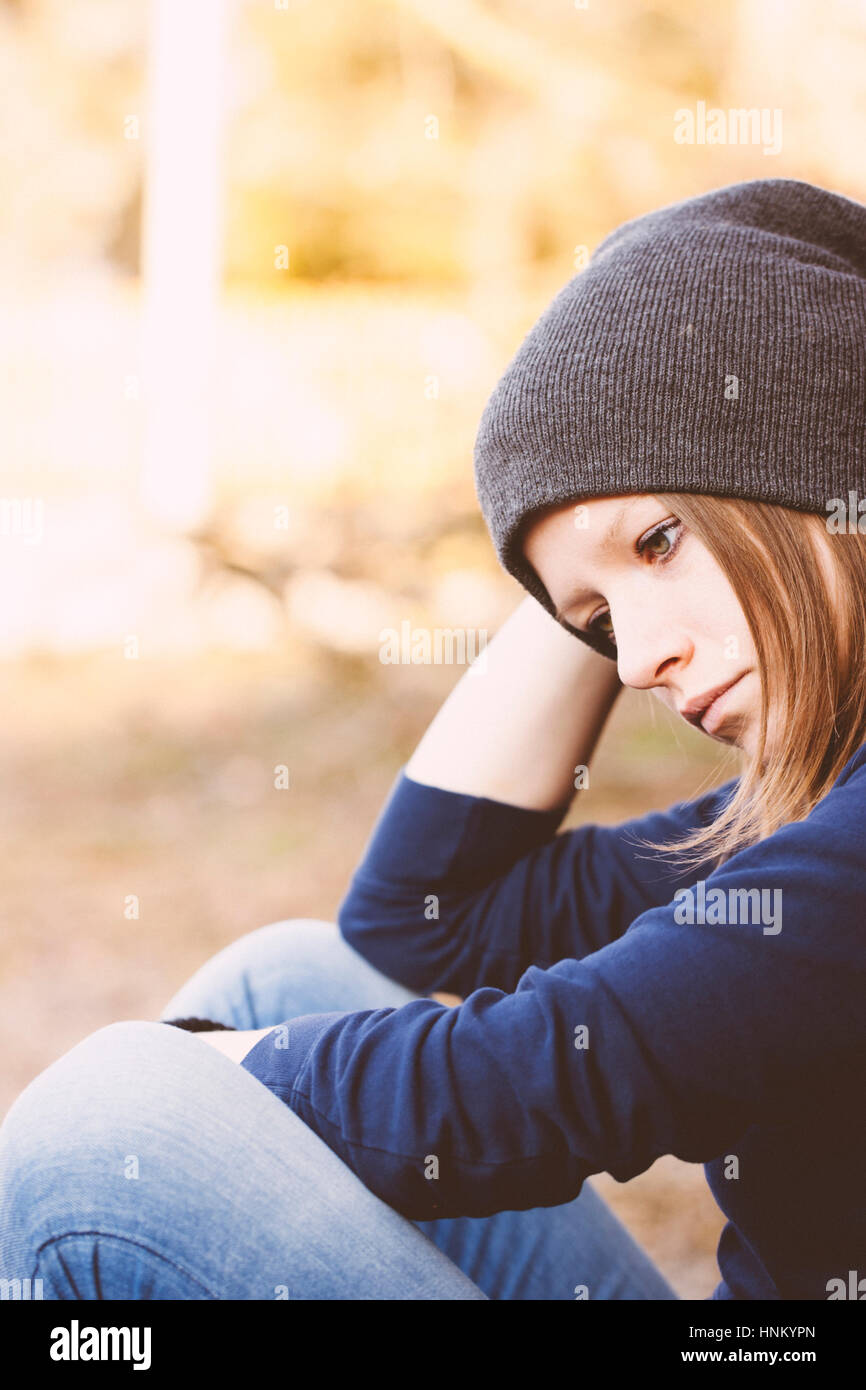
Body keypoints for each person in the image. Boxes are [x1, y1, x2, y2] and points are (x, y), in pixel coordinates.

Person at [2, 177, 865, 1301]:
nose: (640, 660)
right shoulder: (797, 810)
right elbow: (423, 918)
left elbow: (529, 1083)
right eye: (594, 626)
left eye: (661, 539)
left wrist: (187, 1074)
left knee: (98, 1138)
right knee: (286, 980)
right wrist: (596, 526)